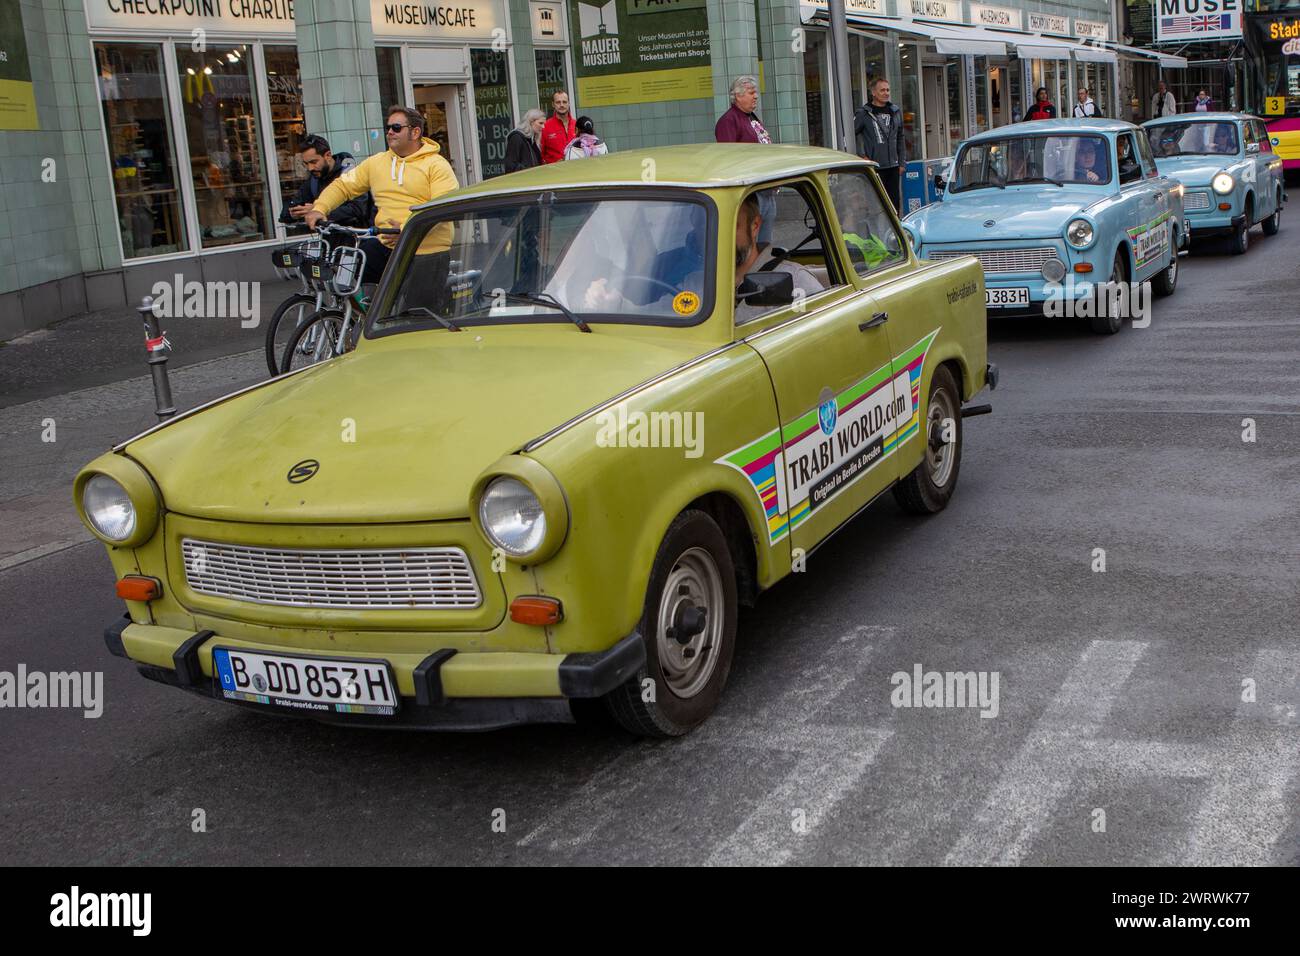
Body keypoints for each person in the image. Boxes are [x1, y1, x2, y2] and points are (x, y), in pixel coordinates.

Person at [305, 105, 460, 291]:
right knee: (351, 276)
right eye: (387, 128)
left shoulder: (436, 165)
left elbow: (441, 209)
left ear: (415, 132)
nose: (390, 133)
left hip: (425, 250)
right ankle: (355, 315)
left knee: (415, 313)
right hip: (385, 246)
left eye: (396, 128)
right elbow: (343, 185)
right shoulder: (377, 162)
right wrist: (320, 208)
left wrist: (406, 230)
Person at [734, 193, 823, 324]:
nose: (717, 238)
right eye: (710, 228)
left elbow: (819, 337)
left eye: (729, 228)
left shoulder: (795, 280)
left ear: (755, 226)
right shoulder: (697, 281)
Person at [279, 135, 374, 229]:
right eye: (306, 164)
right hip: (328, 240)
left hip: (359, 238)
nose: (310, 168)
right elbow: (290, 207)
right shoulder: (314, 180)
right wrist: (293, 213)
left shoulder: (350, 174)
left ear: (328, 155)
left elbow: (359, 209)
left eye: (314, 162)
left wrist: (319, 210)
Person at [854, 77, 906, 212]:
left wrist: (902, 163)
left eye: (888, 90)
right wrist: (861, 156)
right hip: (874, 167)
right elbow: (849, 135)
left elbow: (901, 138)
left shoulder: (895, 111)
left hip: (893, 166)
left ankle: (894, 231)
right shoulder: (864, 113)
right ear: (874, 93)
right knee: (876, 204)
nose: (886, 93)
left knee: (894, 204)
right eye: (882, 90)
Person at [715, 75, 772, 144]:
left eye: (755, 92)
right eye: (751, 93)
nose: (756, 96)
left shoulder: (750, 115)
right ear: (738, 96)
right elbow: (727, 152)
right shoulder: (728, 121)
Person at [541, 90, 577, 164]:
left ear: (569, 103)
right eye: (558, 102)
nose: (561, 105)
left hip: (576, 170)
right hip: (555, 173)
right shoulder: (545, 126)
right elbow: (540, 155)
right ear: (553, 104)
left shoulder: (577, 125)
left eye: (564, 102)